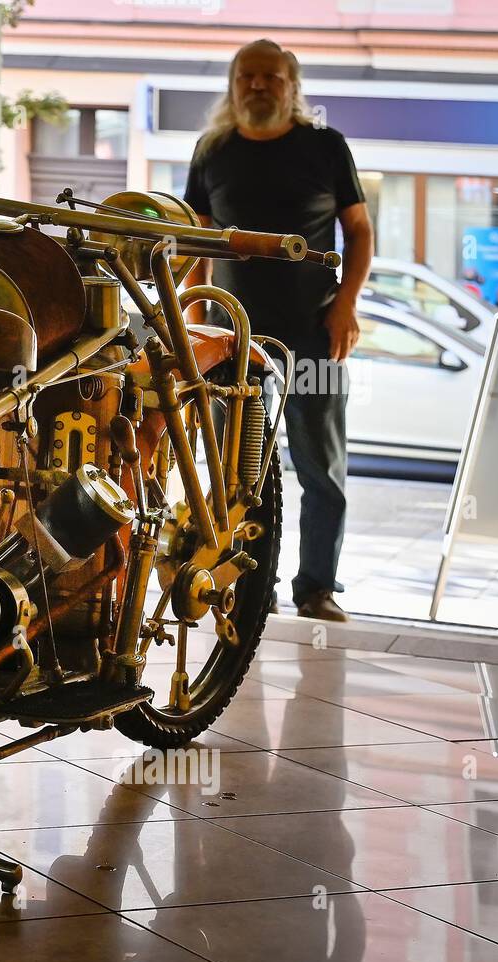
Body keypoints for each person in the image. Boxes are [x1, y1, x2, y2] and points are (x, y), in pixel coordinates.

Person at [183, 39, 374, 622]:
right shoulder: (213, 149)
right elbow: (199, 236)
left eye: (271, 76)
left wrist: (346, 305)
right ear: (233, 84)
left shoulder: (324, 146)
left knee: (321, 468)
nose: (258, 85)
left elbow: (359, 233)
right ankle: (244, 584)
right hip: (233, 339)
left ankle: (316, 588)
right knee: (236, 470)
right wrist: (192, 313)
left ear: (292, 86)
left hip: (313, 333)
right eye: (247, 76)